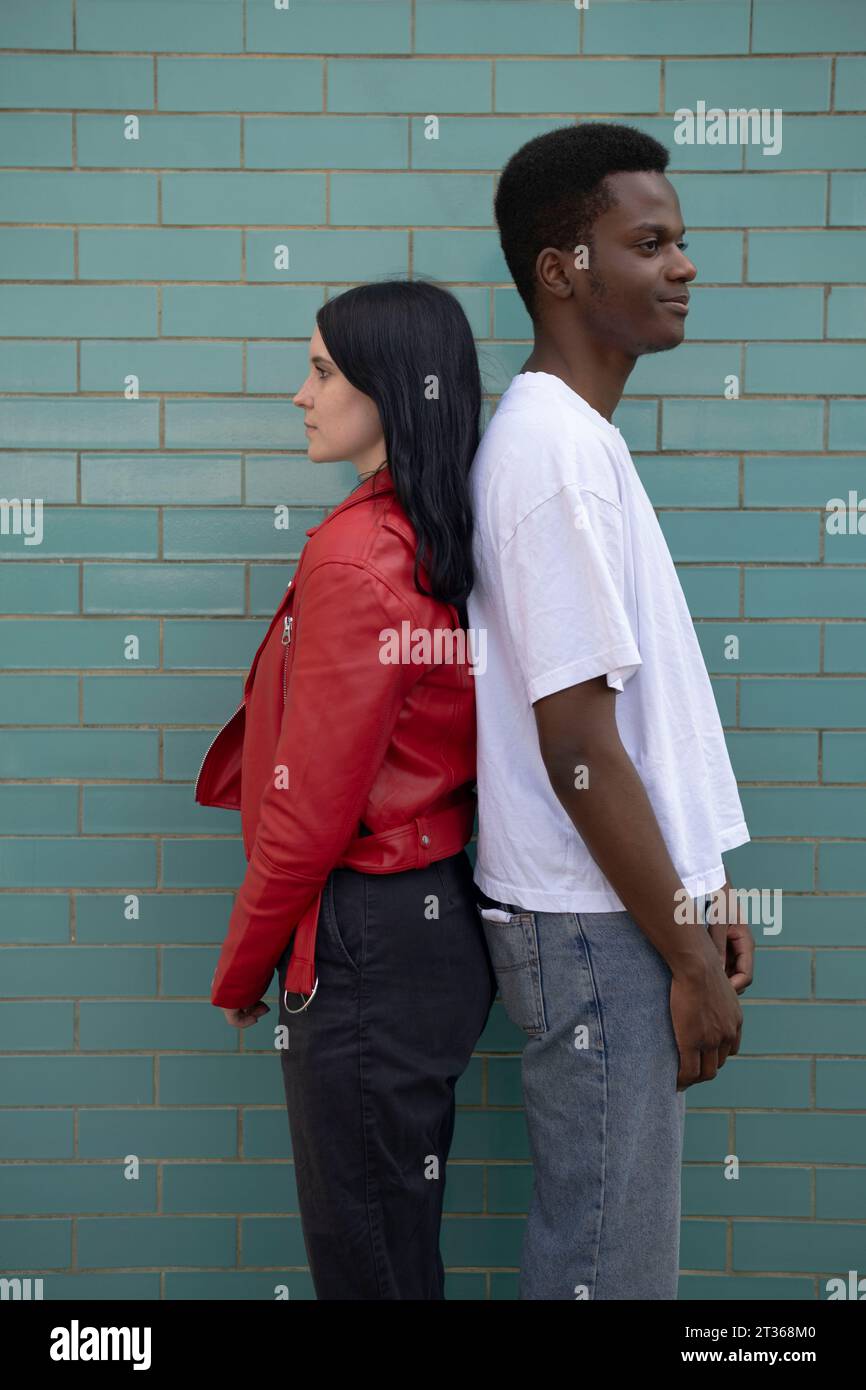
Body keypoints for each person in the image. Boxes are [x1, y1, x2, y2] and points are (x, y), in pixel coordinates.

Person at [467, 121, 756, 1300]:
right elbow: (575, 740)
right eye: (647, 241)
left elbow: (637, 715)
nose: (682, 264)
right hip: (595, 927)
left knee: (615, 1252)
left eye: (680, 240)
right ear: (560, 268)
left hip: (619, 912)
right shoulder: (549, 453)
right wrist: (680, 951)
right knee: (608, 1267)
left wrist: (701, 881)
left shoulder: (578, 440)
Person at [196, 279, 496, 1300]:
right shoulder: (430, 533)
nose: (300, 395)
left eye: (321, 371)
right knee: (396, 1253)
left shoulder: (357, 559)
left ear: (388, 390)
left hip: (365, 945)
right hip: (431, 933)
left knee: (367, 1269)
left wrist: (241, 970)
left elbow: (309, 815)